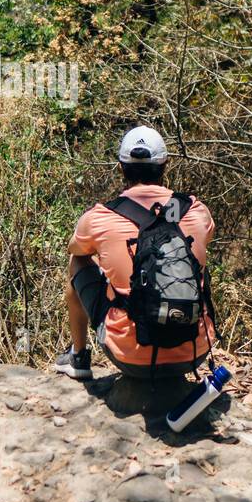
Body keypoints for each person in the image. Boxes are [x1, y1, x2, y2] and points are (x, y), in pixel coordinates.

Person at [55, 125, 216, 380]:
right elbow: (206, 237)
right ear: (166, 165)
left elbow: (74, 248)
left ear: (121, 167)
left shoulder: (101, 216)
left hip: (130, 356)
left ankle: (79, 357)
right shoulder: (195, 210)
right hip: (195, 352)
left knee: (79, 261)